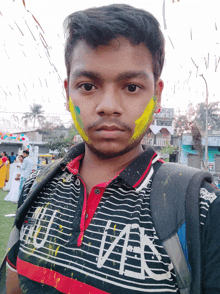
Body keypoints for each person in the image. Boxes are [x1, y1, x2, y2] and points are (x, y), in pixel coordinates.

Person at [5, 4, 220, 294]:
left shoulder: (203, 208)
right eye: (88, 86)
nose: (108, 106)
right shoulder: (36, 187)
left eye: (131, 87)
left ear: (156, 96)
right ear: (68, 92)